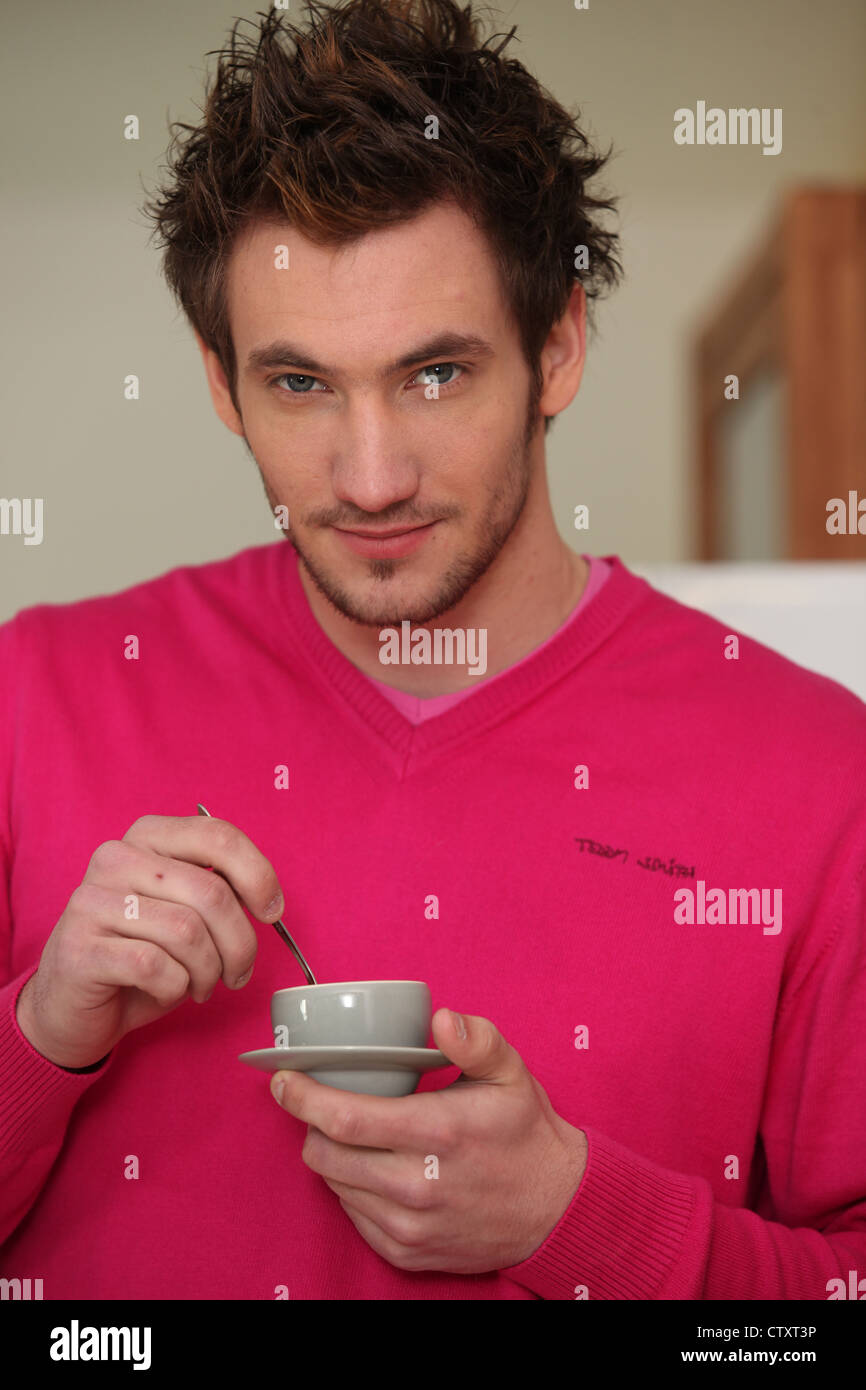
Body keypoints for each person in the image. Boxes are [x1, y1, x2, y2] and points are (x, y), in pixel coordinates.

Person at [1, 0, 864, 1302]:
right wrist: (36, 1036)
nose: (369, 474)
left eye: (436, 373)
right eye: (299, 385)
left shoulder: (820, 778)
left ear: (557, 346)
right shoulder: (35, 695)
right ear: (219, 383)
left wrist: (583, 1221)